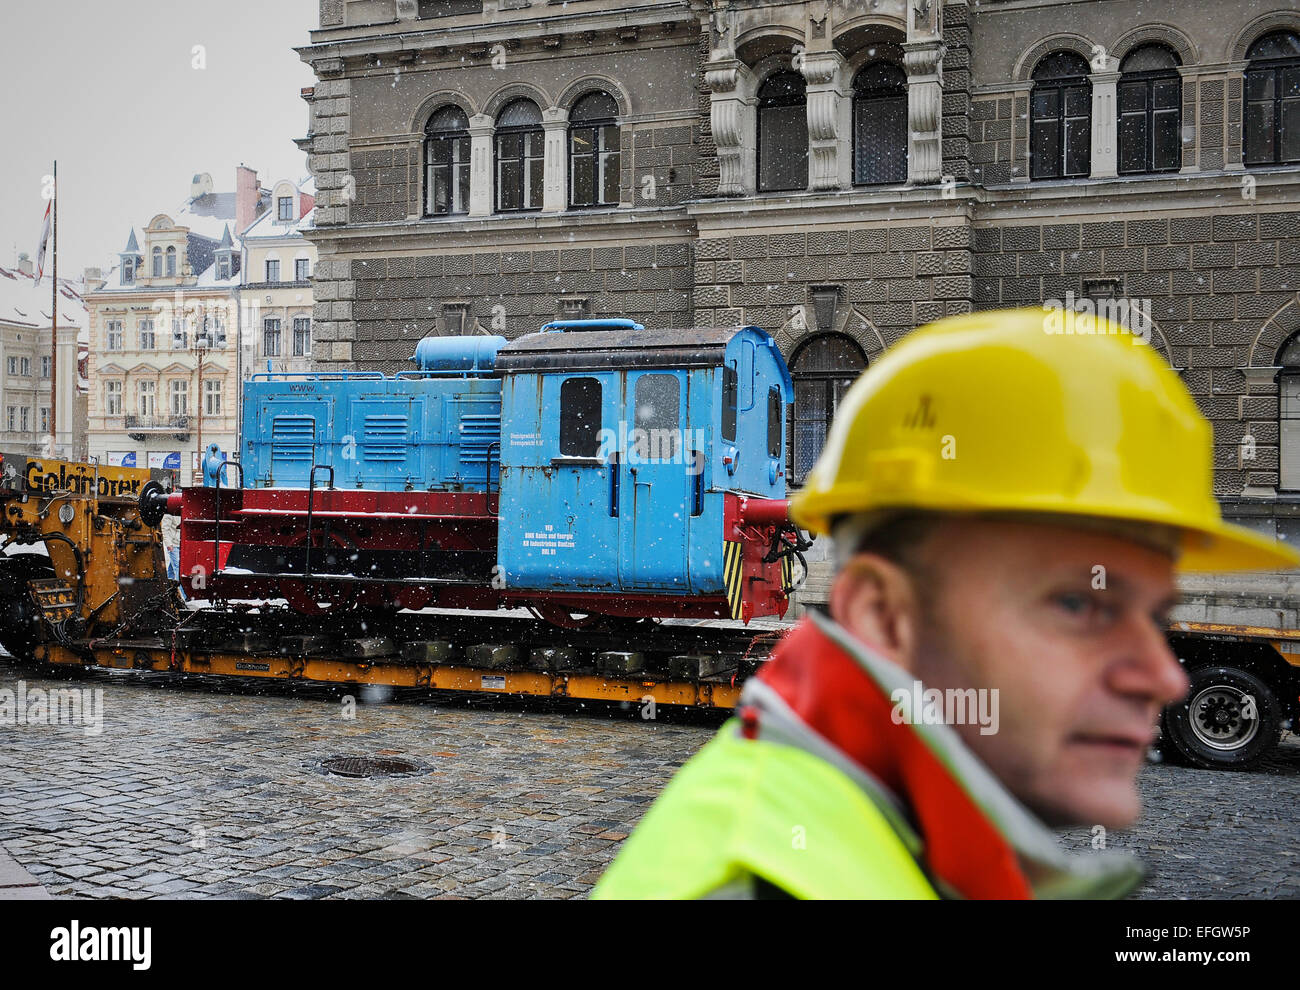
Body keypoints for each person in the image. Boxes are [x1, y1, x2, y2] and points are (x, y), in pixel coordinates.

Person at [593, 306, 1298, 899]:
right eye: (1082, 608)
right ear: (885, 615)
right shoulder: (756, 878)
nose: (1163, 676)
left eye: (1152, 616)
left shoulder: (875, 837)